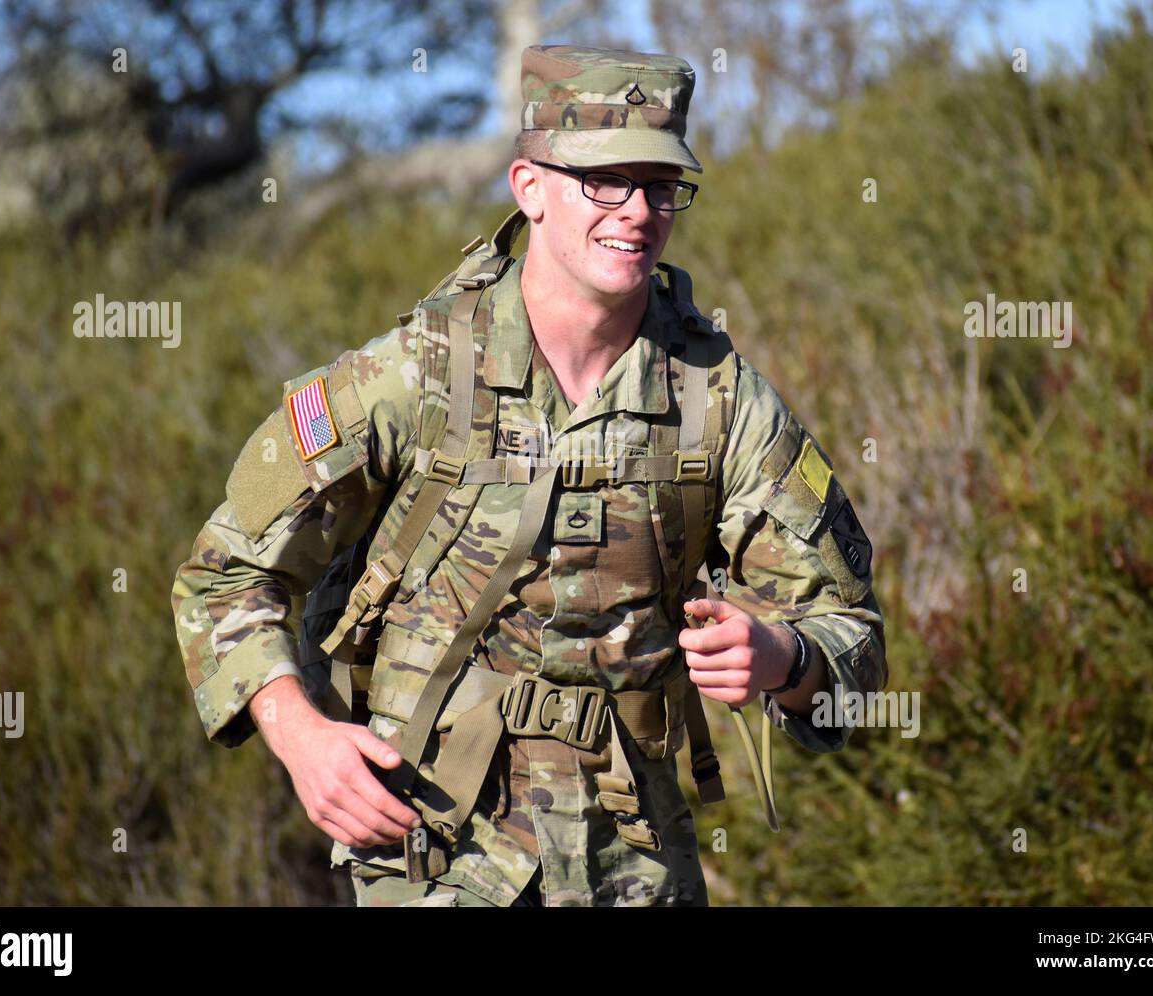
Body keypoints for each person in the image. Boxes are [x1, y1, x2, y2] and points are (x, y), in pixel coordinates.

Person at [171, 44, 886, 908]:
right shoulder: (414, 377)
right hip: (431, 859)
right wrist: (301, 739)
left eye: (660, 186)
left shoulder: (721, 403)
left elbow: (853, 642)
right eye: (603, 181)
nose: (636, 212)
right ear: (530, 186)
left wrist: (788, 658)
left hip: (637, 874)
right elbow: (226, 574)